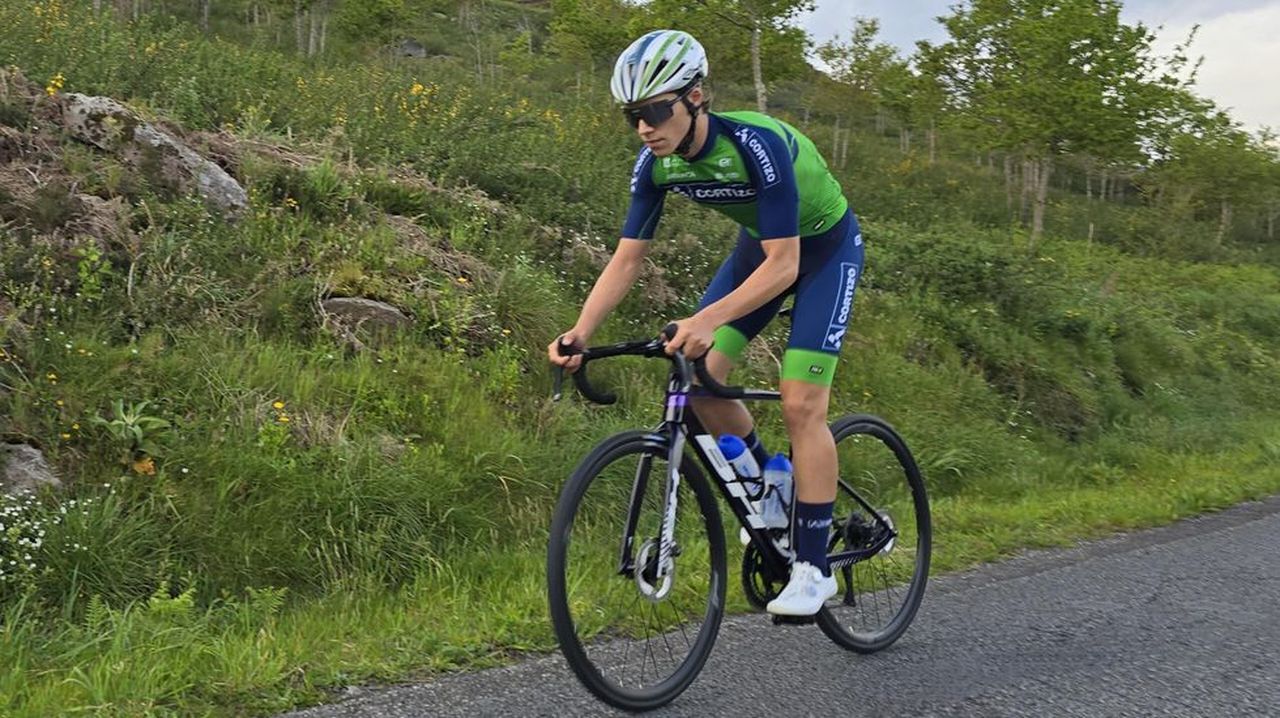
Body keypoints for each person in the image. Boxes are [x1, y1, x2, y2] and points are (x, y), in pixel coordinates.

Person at [547, 29, 865, 616]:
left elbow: (787, 264)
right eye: (632, 115)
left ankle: (814, 569)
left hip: (822, 252)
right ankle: (774, 485)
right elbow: (627, 257)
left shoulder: (755, 143)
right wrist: (580, 332)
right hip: (760, 250)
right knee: (700, 377)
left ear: (696, 97)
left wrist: (705, 315)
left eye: (655, 110)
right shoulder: (654, 166)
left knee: (800, 403)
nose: (644, 125)